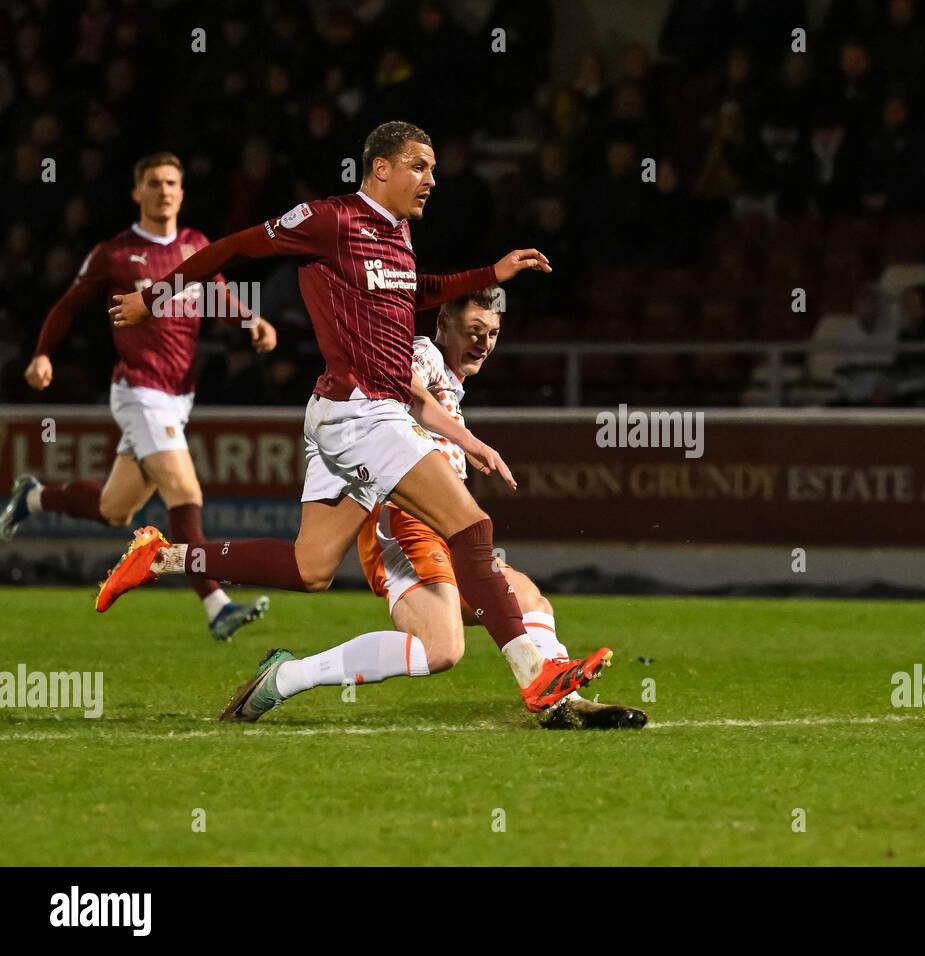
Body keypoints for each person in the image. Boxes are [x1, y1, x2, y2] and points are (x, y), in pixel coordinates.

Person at [97, 121, 611, 712]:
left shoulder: (397, 236)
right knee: (472, 529)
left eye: (434, 169)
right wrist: (154, 297)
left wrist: (489, 275)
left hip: (343, 415)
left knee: (310, 566)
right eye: (420, 166)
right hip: (361, 412)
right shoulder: (330, 220)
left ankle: (162, 556)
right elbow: (236, 245)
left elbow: (415, 291)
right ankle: (533, 672)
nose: (432, 180)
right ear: (381, 168)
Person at [224, 288, 645, 728]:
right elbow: (400, 376)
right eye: (474, 331)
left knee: (528, 600)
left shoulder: (451, 382)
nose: (484, 343)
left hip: (441, 527)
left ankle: (562, 705)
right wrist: (465, 442)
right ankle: (285, 678)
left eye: (494, 334)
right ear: (443, 325)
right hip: (407, 522)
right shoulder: (423, 352)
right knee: (443, 648)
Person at [0, 152, 274, 640]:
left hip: (179, 394)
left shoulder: (195, 244)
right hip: (139, 389)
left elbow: (216, 291)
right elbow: (67, 306)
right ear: (137, 193)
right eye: (154, 182)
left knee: (115, 509)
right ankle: (217, 605)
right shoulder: (117, 252)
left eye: (172, 182)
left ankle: (34, 496)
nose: (164, 190)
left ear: (182, 192)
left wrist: (250, 320)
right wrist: (43, 354)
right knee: (186, 493)